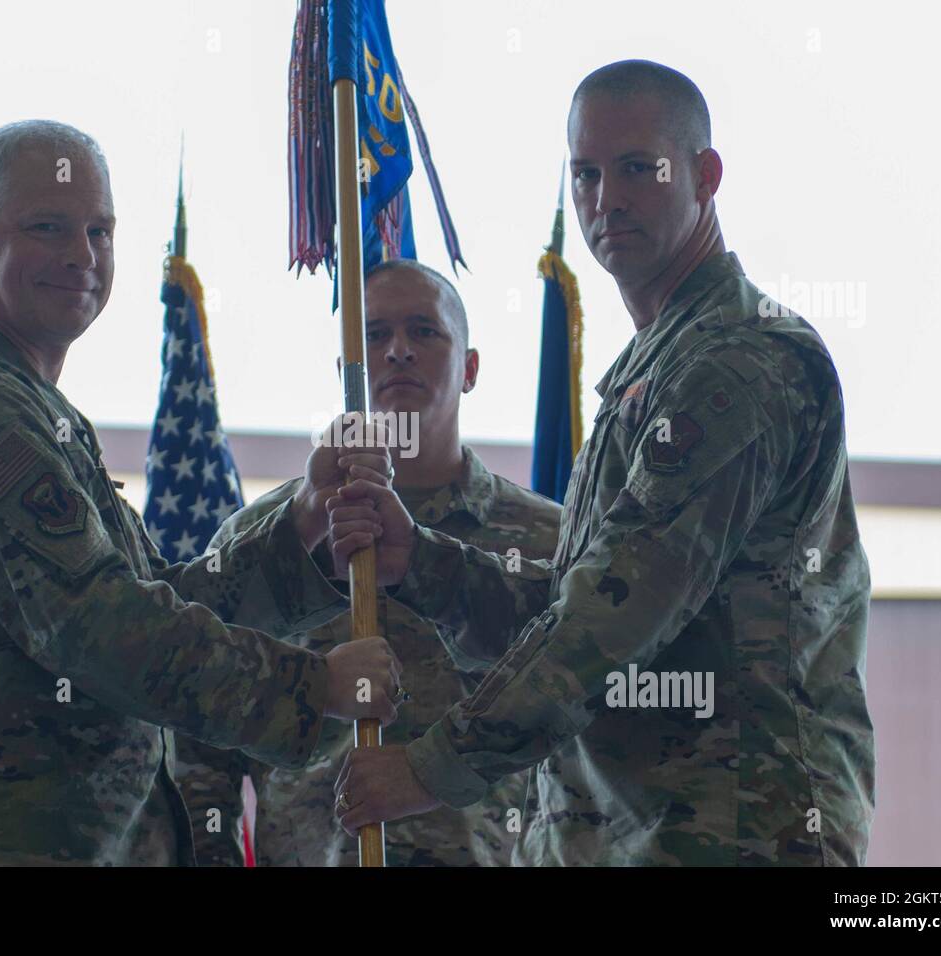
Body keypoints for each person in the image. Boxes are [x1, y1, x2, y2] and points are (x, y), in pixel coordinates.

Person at [324, 60, 875, 865]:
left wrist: (427, 769)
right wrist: (426, 566)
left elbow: (611, 626)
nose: (606, 199)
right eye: (584, 173)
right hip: (623, 834)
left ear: (705, 176)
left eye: (637, 169)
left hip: (741, 834)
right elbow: (580, 607)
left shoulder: (738, 362)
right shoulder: (651, 371)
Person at [0, 120, 401, 866]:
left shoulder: (35, 411)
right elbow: (99, 628)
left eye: (100, 232)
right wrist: (312, 686)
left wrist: (300, 521)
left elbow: (158, 600)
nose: (81, 256)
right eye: (48, 228)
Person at [175, 260, 561, 866]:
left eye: (424, 332)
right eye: (375, 335)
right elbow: (200, 741)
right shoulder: (265, 540)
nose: (399, 351)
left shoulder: (546, 539)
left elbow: (578, 727)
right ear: (345, 372)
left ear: (471, 368)